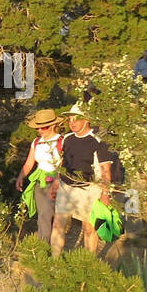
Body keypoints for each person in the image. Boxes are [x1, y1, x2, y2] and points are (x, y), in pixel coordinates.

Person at [50, 103, 114, 257]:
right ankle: (54, 262)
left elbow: (105, 170)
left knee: (89, 228)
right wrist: (56, 183)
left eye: (75, 119)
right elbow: (63, 163)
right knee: (58, 224)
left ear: (86, 120)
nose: (72, 122)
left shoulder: (98, 142)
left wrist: (105, 194)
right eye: (70, 119)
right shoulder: (67, 139)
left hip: (89, 189)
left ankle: (88, 264)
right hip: (67, 187)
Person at [15, 108, 65, 242]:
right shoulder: (37, 142)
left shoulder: (61, 141)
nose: (41, 131)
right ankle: (45, 246)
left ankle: (47, 247)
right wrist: (21, 177)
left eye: (44, 127)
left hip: (57, 182)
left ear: (53, 125)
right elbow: (29, 163)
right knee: (43, 215)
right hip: (40, 181)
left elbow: (64, 164)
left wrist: (57, 181)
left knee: (48, 216)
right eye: (38, 128)